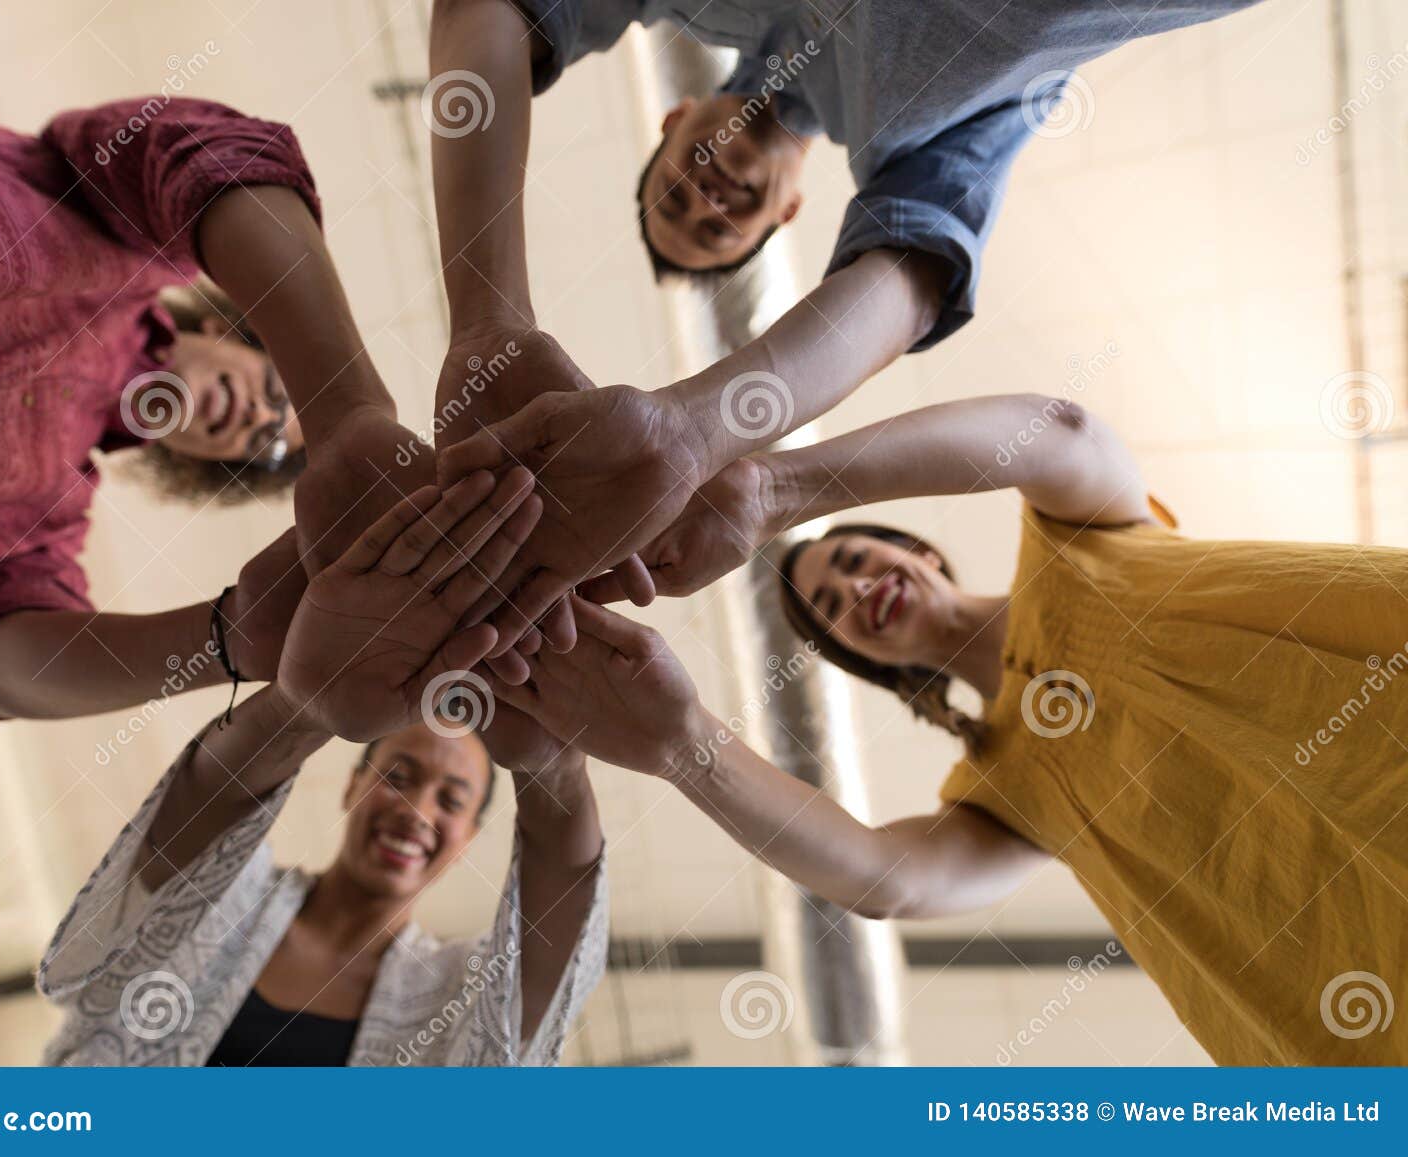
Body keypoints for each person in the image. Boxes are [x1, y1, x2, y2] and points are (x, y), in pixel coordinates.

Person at [495, 393, 1408, 1064]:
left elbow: (1062, 432)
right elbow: (884, 880)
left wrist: (778, 491)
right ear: (869, 658)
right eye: (832, 608)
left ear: (917, 550)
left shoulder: (1080, 540)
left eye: (853, 559)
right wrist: (681, 741)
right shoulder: (1005, 790)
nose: (855, 588)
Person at [423, 0, 1264, 654]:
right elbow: (907, 279)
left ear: (674, 119)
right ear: (787, 216)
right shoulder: (926, 147)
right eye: (714, 229)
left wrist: (486, 322)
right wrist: (695, 433)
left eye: (675, 192)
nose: (706, 200)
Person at [0, 54, 438, 720]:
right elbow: (217, 154)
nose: (255, 415)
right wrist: (349, 413)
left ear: (210, 467)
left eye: (264, 442)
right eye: (279, 394)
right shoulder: (134, 242)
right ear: (240, 336)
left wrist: (232, 638)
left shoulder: (43, 517)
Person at [40, 466, 607, 1066]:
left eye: (452, 799)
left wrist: (553, 767)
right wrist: (306, 701)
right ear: (352, 786)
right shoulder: (232, 900)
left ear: (467, 840)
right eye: (398, 776)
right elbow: (208, 796)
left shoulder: (455, 997)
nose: (416, 811)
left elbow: (561, 943)